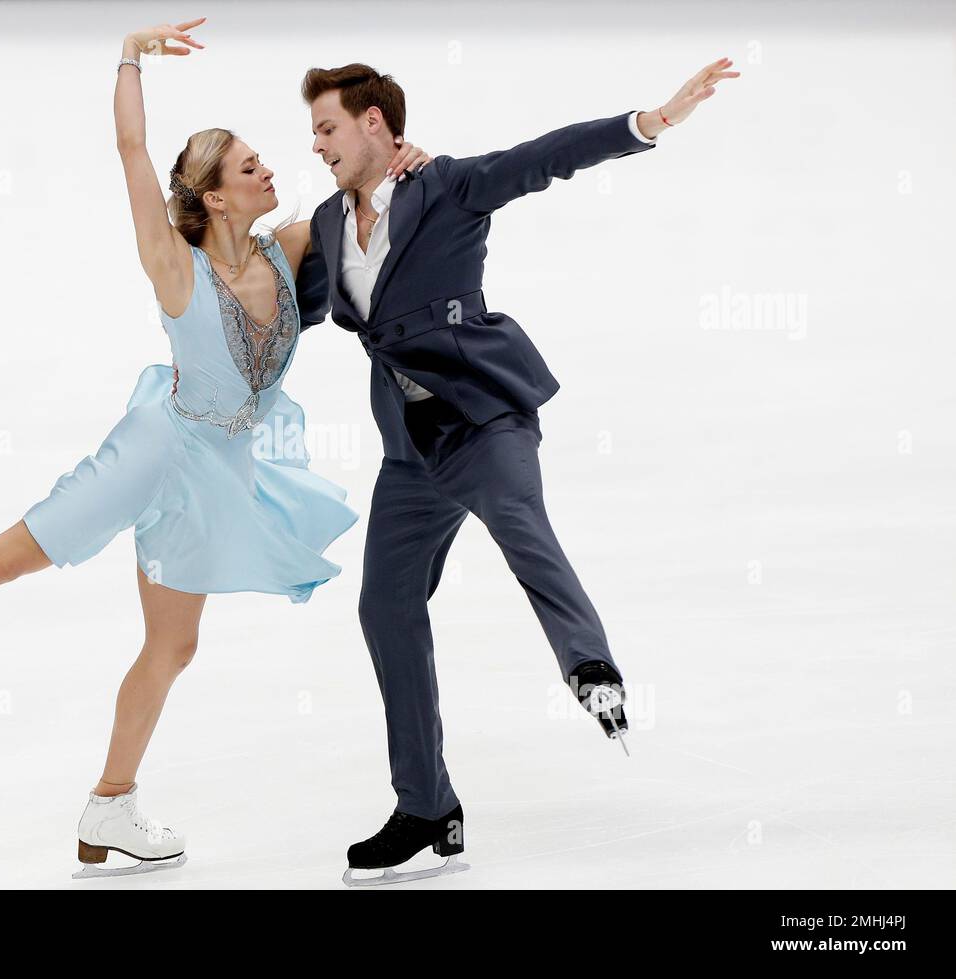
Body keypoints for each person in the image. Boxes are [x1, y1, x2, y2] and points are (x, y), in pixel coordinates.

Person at [0, 18, 432, 879]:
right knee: (0, 561)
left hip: (217, 474)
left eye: (266, 158)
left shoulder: (291, 244)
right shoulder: (176, 266)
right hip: (155, 451)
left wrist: (408, 158)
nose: (271, 168)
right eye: (249, 165)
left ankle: (109, 805)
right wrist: (128, 54)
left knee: (173, 647)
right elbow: (131, 149)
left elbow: (373, 195)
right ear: (217, 197)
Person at [292, 59, 739, 884]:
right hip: (409, 445)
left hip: (483, 413)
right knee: (385, 605)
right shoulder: (325, 222)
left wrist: (651, 120)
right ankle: (427, 807)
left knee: (517, 517)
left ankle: (590, 666)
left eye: (326, 127)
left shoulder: (449, 185)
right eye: (313, 130)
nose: (315, 143)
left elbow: (544, 156)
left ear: (376, 126)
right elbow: (294, 301)